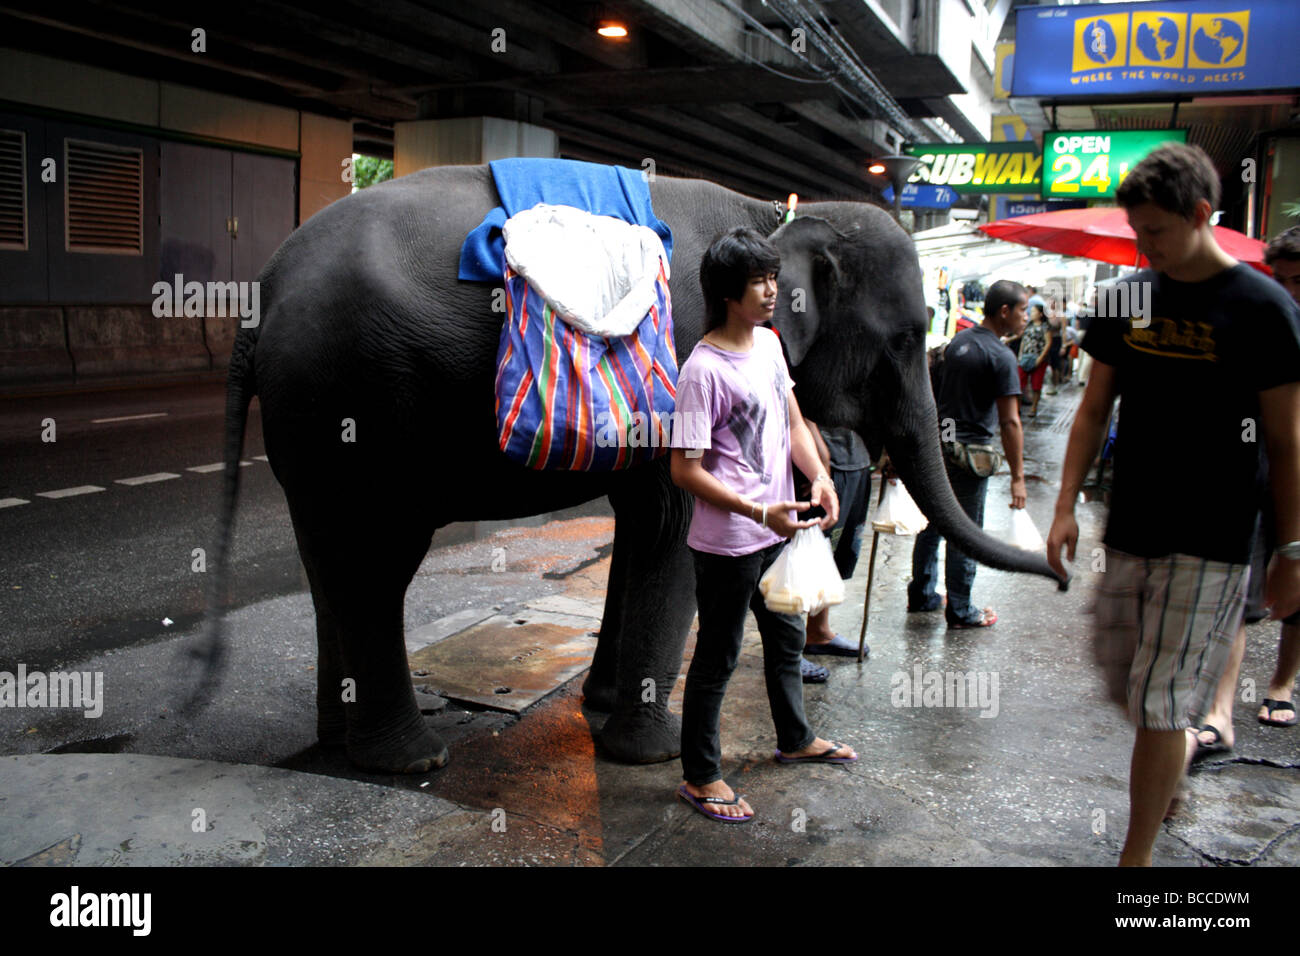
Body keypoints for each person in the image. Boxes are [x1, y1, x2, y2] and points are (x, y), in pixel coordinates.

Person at [1045, 143, 1300, 866]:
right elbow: (1094, 408)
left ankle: (1136, 861)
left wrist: (1290, 552)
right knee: (1125, 679)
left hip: (1213, 540)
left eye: (1156, 231)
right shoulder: (1129, 295)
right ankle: (1174, 752)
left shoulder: (1264, 309)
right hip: (1130, 529)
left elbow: (1286, 443)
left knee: (1157, 702)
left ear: (1199, 215)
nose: (1144, 246)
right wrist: (1064, 505)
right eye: (1137, 234)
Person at [669, 227, 858, 824]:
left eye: (774, 277)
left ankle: (795, 739)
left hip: (778, 530)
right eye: (759, 280)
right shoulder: (704, 370)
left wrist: (819, 477)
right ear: (729, 292)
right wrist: (757, 510)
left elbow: (794, 423)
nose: (773, 290)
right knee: (718, 659)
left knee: (785, 644)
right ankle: (700, 777)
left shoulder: (771, 345)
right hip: (729, 543)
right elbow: (683, 468)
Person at [1190, 224, 1300, 756]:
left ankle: (1281, 683)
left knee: (1295, 585)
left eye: (1298, 280)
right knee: (1239, 587)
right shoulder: (1265, 316)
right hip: (1256, 465)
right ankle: (1219, 712)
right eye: (1281, 279)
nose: (1289, 290)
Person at [908, 278, 1029, 629]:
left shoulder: (958, 342)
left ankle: (922, 595)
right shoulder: (1001, 356)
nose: (1024, 317)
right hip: (971, 454)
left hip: (938, 447)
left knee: (932, 521)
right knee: (965, 529)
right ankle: (960, 610)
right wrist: (1018, 478)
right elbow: (1010, 423)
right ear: (1004, 311)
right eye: (1021, 310)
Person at [801, 419, 873, 658]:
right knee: (802, 557)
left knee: (834, 554)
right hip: (821, 458)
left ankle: (818, 631)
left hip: (855, 455)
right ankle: (785, 646)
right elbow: (796, 404)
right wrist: (819, 465)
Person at [1017, 302, 1052, 417]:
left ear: (1040, 314)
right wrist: (1020, 354)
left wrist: (1040, 358)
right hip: (1025, 357)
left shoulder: (1045, 327)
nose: (1031, 314)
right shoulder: (1029, 325)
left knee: (1036, 385)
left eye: (1033, 311)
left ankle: (1034, 408)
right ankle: (1017, 407)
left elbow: (1048, 343)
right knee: (1019, 383)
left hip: (1038, 359)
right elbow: (1023, 339)